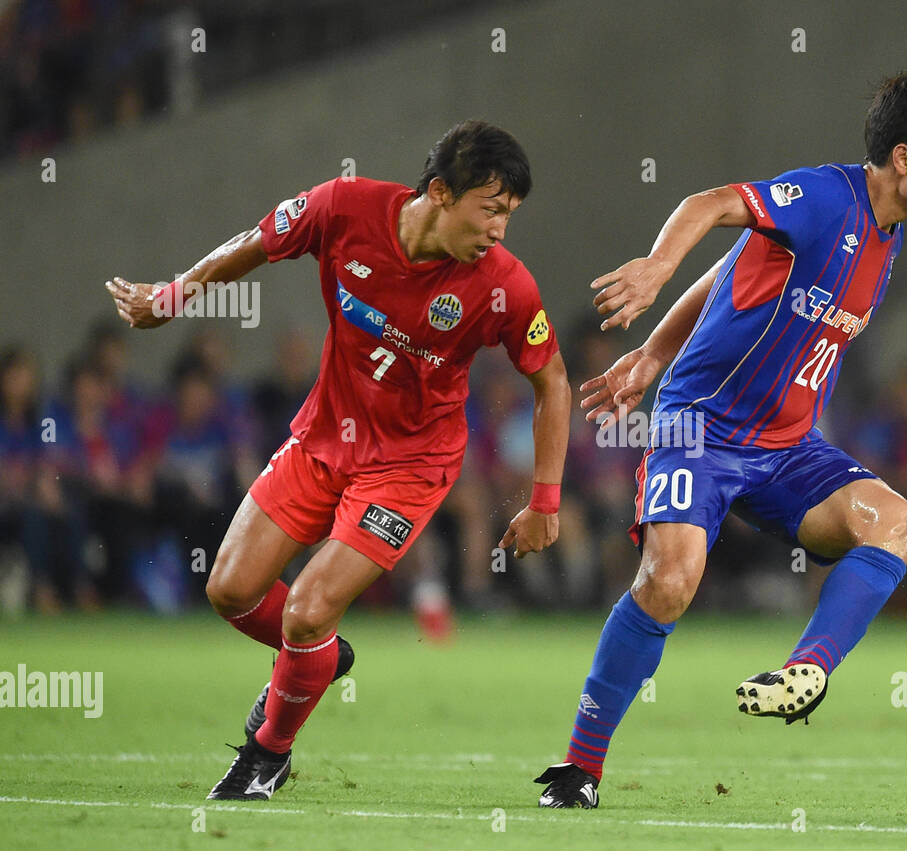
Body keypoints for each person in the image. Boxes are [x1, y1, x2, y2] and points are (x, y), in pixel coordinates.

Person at [535, 69, 907, 808]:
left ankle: (805, 671)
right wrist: (654, 273)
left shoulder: (890, 236)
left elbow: (731, 270)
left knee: (897, 525)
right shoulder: (826, 197)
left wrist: (651, 352)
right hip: (700, 428)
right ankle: (581, 767)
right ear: (905, 158)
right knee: (671, 581)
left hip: (788, 450)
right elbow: (709, 208)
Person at [106, 120, 570, 800]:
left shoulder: (504, 286)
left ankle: (266, 755)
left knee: (307, 610)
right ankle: (317, 661)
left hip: (410, 465)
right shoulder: (343, 208)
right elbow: (255, 245)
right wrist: (175, 294)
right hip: (324, 438)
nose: (500, 229)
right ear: (440, 192)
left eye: (509, 215)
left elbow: (551, 383)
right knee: (230, 590)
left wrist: (545, 500)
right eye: (490, 209)